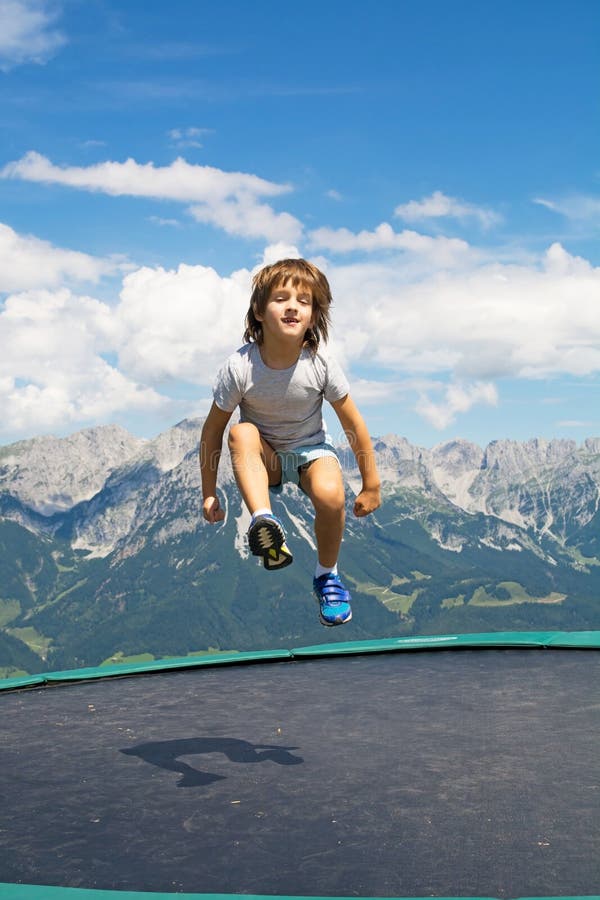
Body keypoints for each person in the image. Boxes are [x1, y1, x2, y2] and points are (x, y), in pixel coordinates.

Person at [200, 258, 381, 626]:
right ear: (259, 312)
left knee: (331, 496)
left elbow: (353, 423)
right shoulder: (240, 367)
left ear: (313, 317)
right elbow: (212, 430)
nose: (292, 306)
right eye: (280, 298)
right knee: (240, 432)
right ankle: (263, 522)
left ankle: (327, 576)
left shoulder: (320, 363)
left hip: (311, 451)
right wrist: (208, 491)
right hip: (264, 456)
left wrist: (371, 483)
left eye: (303, 300)